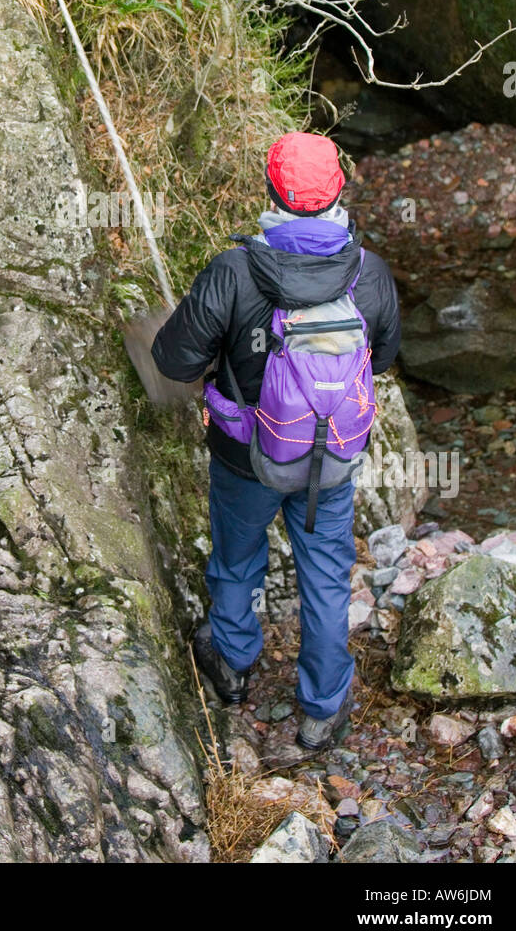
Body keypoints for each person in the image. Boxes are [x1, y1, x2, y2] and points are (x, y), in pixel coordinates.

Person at [152, 131, 401, 751]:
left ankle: (233, 666)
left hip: (246, 460)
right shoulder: (369, 274)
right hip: (332, 460)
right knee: (325, 574)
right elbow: (386, 359)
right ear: (340, 189)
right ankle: (321, 709)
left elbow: (173, 361)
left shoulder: (234, 272)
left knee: (236, 562)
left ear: (270, 191)